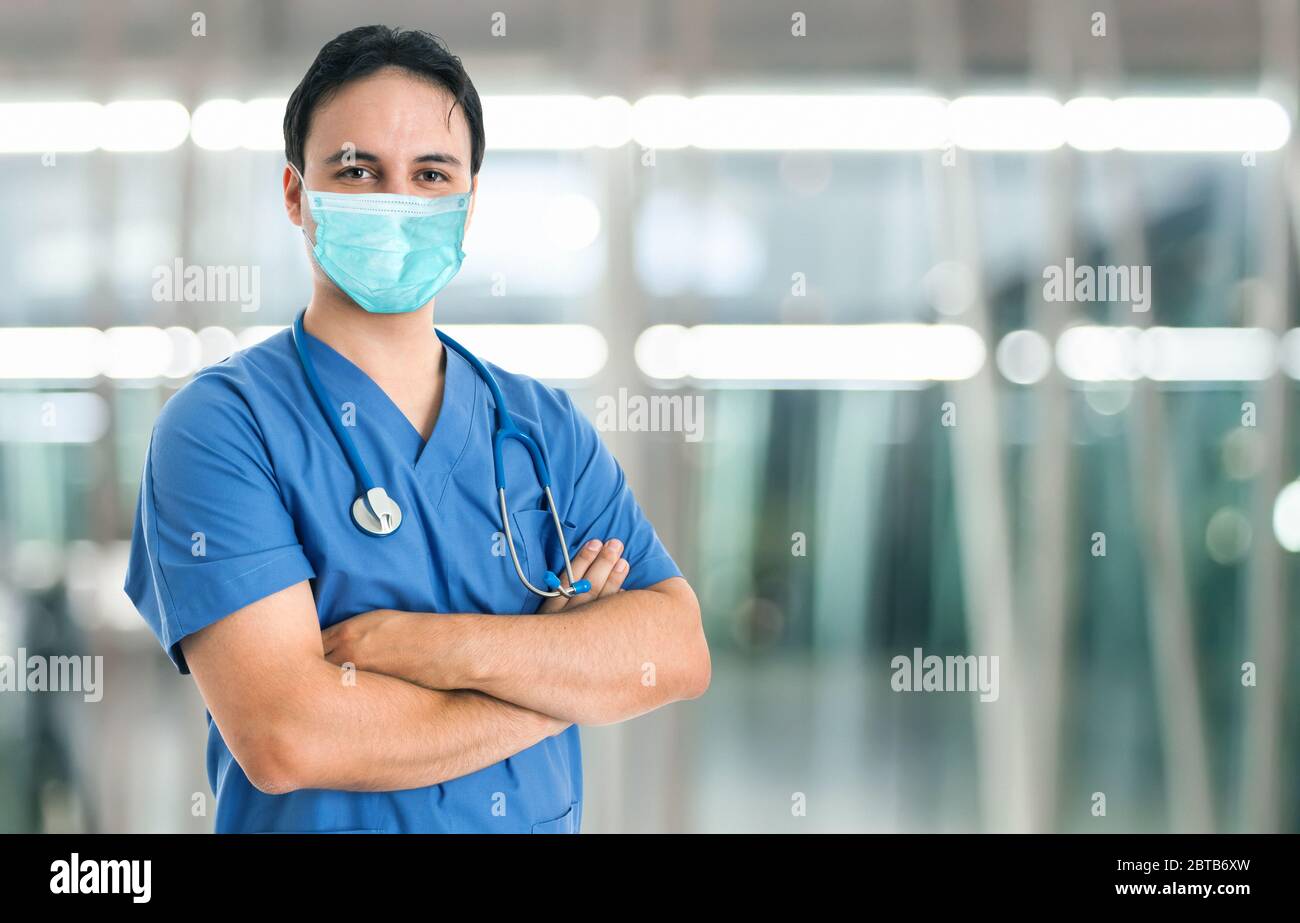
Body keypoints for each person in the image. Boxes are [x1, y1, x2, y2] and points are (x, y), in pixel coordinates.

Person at [124, 24, 710, 834]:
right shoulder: (223, 428)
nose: (399, 201)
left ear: (469, 205)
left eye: (430, 174)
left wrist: (433, 647)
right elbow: (286, 734)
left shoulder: (542, 428)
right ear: (296, 196)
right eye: (358, 170)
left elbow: (675, 651)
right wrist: (561, 680)